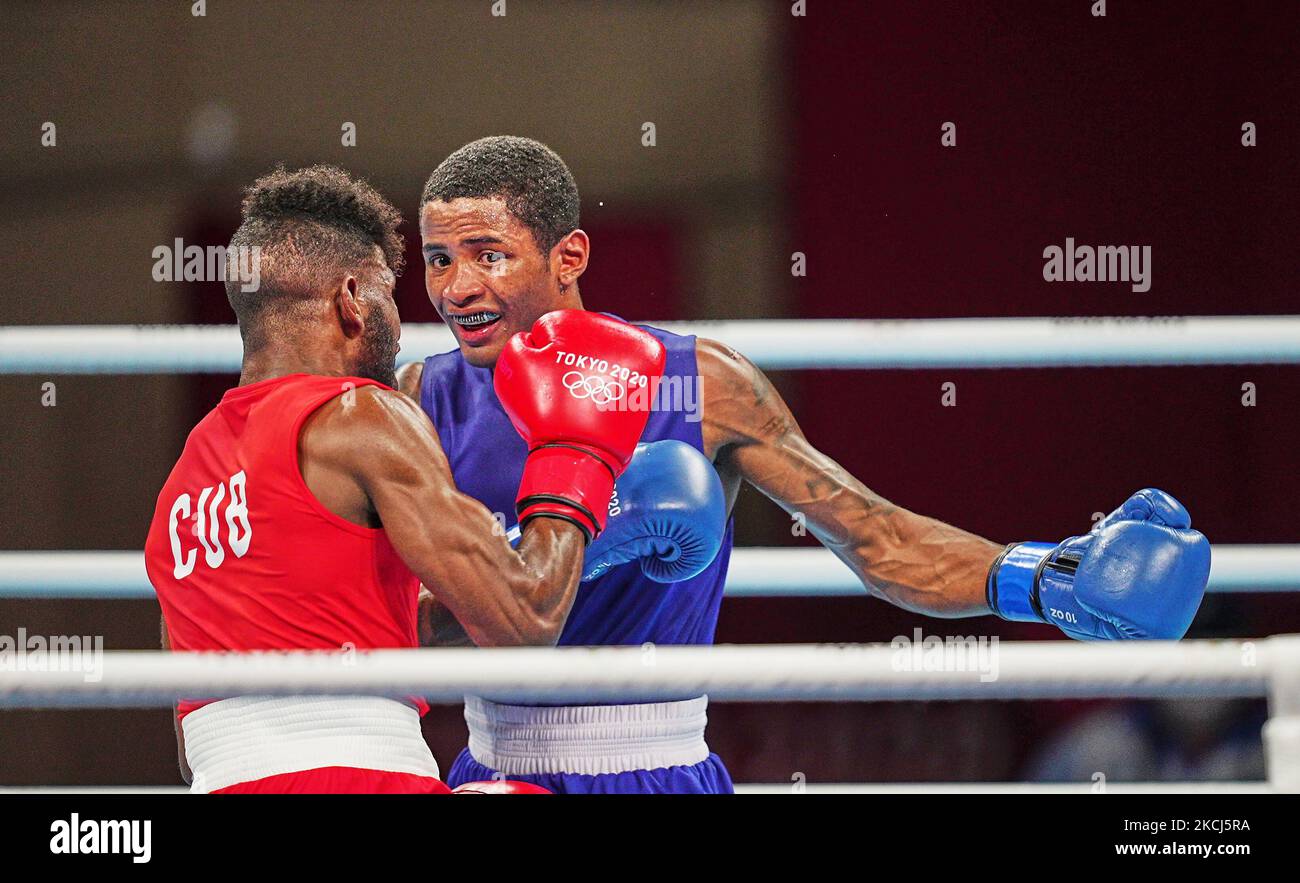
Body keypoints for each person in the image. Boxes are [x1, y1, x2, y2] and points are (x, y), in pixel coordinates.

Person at [398, 136, 1212, 794]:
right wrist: (577, 546)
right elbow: (405, 621)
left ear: (569, 255)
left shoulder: (696, 383)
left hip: (659, 764)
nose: (458, 286)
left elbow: (876, 539)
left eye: (488, 253)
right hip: (491, 766)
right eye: (438, 258)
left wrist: (1040, 578)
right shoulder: (423, 395)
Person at [144, 164, 663, 793]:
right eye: (390, 294)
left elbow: (189, 748)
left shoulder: (180, 489)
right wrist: (575, 458)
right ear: (352, 300)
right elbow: (523, 622)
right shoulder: (364, 415)